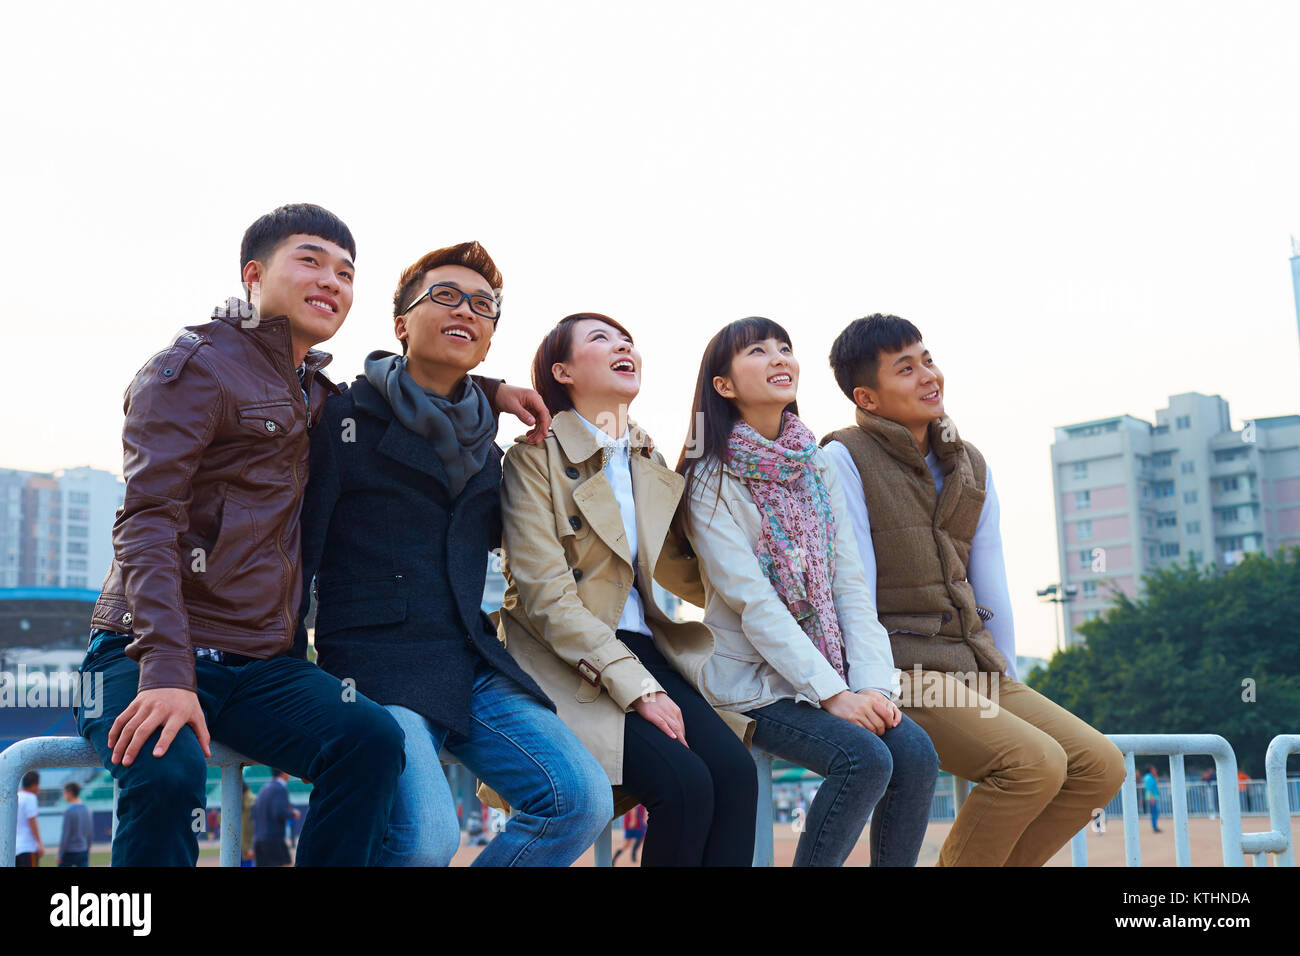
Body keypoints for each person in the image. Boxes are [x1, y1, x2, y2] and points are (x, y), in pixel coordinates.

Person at [74, 203, 546, 867]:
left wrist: (489, 390)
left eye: (346, 271)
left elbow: (398, 390)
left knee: (370, 740)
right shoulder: (192, 368)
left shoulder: (314, 392)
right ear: (254, 274)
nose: (331, 280)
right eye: (310, 260)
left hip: (261, 663)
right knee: (166, 773)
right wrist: (168, 671)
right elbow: (148, 522)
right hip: (146, 650)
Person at [297, 242, 610, 867]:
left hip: (469, 656)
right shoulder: (340, 416)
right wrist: (281, 666)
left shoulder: (490, 444)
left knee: (578, 799)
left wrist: (489, 392)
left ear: (491, 338)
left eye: (483, 305)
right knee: (426, 840)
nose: (465, 310)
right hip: (373, 666)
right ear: (400, 324)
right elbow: (296, 551)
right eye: (443, 296)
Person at [822, 313, 1126, 866]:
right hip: (902, 671)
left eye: (928, 359)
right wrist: (873, 682)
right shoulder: (842, 457)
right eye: (906, 369)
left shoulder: (970, 463)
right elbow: (853, 585)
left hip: (976, 662)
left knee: (1100, 765)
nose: (927, 375)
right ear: (866, 396)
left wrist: (1006, 674)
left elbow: (992, 576)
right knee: (1032, 763)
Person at [675, 316, 939, 867]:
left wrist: (872, 686)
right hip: (753, 680)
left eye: (784, 348)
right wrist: (833, 694)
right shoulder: (709, 478)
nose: (778, 358)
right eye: (757, 351)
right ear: (723, 385)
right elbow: (754, 603)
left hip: (835, 671)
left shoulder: (813, 463)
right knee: (864, 758)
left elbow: (848, 583)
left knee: (913, 752)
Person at [498, 313, 758, 867]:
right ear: (562, 371)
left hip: (649, 648)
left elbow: (684, 570)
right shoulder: (531, 459)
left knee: (735, 774)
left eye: (628, 341)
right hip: (573, 658)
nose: (624, 348)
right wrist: (637, 688)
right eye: (601, 339)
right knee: (684, 785)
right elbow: (545, 597)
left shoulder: (648, 459)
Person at [252, 770, 298, 867]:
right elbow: (279, 812)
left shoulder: (265, 788)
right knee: (287, 864)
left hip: (259, 839)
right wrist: (293, 813)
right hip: (273, 839)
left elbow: (254, 813)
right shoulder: (280, 788)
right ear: (283, 772)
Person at [58, 783, 92, 867]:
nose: (64, 795)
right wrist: (87, 850)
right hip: (83, 850)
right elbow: (90, 833)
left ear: (69, 792)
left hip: (69, 851)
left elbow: (66, 835)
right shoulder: (87, 810)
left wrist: (60, 854)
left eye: (64, 793)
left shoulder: (69, 811)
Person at [15, 771, 42, 867]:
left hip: (14, 847)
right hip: (27, 846)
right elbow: (32, 822)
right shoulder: (30, 797)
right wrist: (39, 843)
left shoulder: (16, 795)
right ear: (34, 784)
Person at [240, 781, 255, 866]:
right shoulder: (242, 803)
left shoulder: (251, 803)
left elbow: (257, 828)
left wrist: (252, 847)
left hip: (249, 849)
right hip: (243, 848)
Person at [1143, 765, 1161, 833]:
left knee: (1155, 812)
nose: (1155, 770)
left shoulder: (1149, 777)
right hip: (1152, 797)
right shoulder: (1149, 777)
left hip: (1152, 796)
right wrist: (1152, 798)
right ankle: (1155, 827)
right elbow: (1149, 788)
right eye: (1154, 769)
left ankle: (1155, 826)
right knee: (1154, 812)